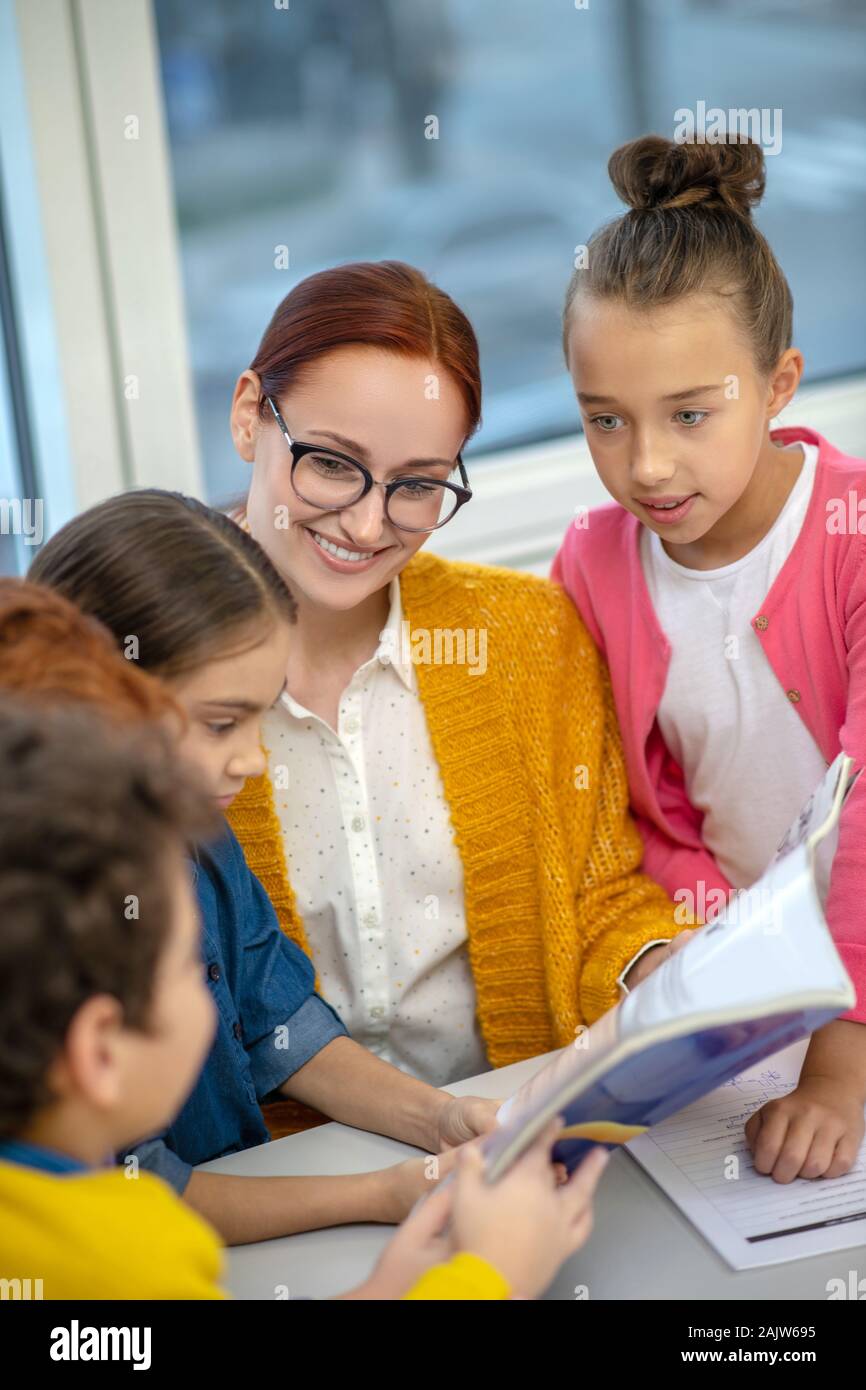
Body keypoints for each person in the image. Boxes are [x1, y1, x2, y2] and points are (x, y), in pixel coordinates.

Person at [214, 259, 690, 1136]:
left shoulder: (527, 637)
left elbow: (597, 902)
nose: (367, 524)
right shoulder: (142, 657)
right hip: (263, 1171)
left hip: (506, 1136)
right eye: (331, 465)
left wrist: (659, 972)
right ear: (250, 415)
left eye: (418, 485)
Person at [0, 692, 609, 1299]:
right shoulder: (134, 1257)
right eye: (190, 969)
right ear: (100, 1050)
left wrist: (388, 1283)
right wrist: (493, 1272)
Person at [27, 495, 502, 1247]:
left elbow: (277, 1024)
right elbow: (141, 1187)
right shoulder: (48, 911)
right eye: (221, 723)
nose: (252, 758)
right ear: (98, 700)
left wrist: (438, 1117)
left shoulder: (199, 832)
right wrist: (381, 1193)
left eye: (262, 713)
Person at [552, 134, 866, 1183]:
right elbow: (629, 810)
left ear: (777, 384)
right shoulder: (592, 565)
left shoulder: (853, 534)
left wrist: (836, 1068)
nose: (645, 465)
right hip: (759, 999)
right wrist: (722, 964)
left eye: (690, 414)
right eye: (605, 420)